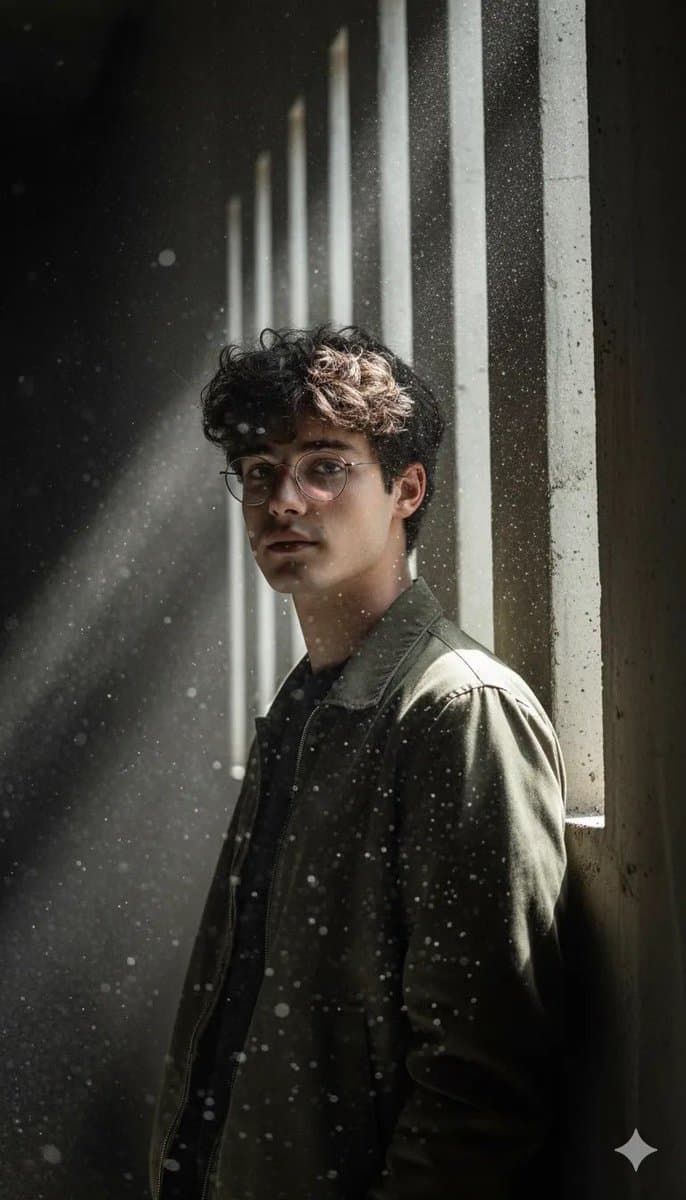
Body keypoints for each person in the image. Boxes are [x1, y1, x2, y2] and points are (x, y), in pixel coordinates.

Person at [148, 325, 568, 1200]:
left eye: (326, 465)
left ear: (406, 489)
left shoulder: (457, 712)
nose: (283, 501)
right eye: (259, 472)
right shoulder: (305, 711)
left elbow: (478, 1088)